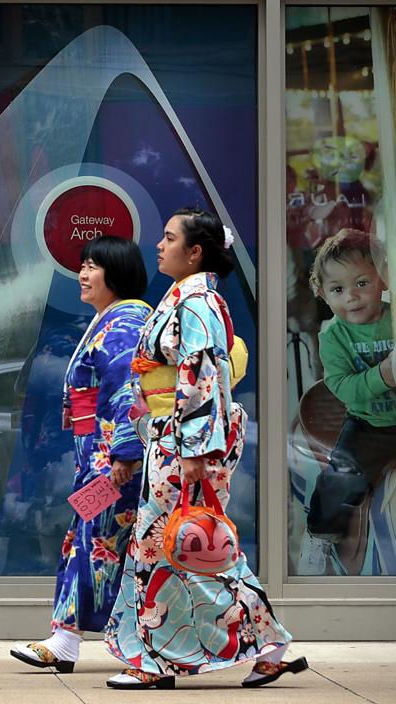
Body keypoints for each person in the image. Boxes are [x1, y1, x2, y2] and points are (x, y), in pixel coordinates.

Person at [104, 207, 307, 689]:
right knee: (193, 546)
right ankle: (265, 646)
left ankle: (159, 663)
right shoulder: (187, 297)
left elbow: (200, 374)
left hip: (186, 444)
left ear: (195, 253)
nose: (159, 244)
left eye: (169, 238)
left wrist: (194, 448)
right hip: (173, 437)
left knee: (177, 545)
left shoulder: (195, 303)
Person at [10, 236, 150, 672]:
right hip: (99, 460)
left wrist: (124, 451)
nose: (83, 274)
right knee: (89, 542)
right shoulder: (109, 320)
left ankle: (69, 639)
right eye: (83, 265)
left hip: (117, 464)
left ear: (117, 273)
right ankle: (68, 639)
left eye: (93, 266)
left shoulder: (126, 322)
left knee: (99, 544)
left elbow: (128, 391)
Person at [306, 229, 396, 574]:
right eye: (338, 290)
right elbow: (343, 388)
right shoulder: (333, 335)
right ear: (323, 295)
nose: (353, 297)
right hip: (368, 424)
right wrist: (384, 375)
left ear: (383, 280)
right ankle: (320, 534)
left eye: (362, 283)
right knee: (340, 477)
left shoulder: (392, 319)